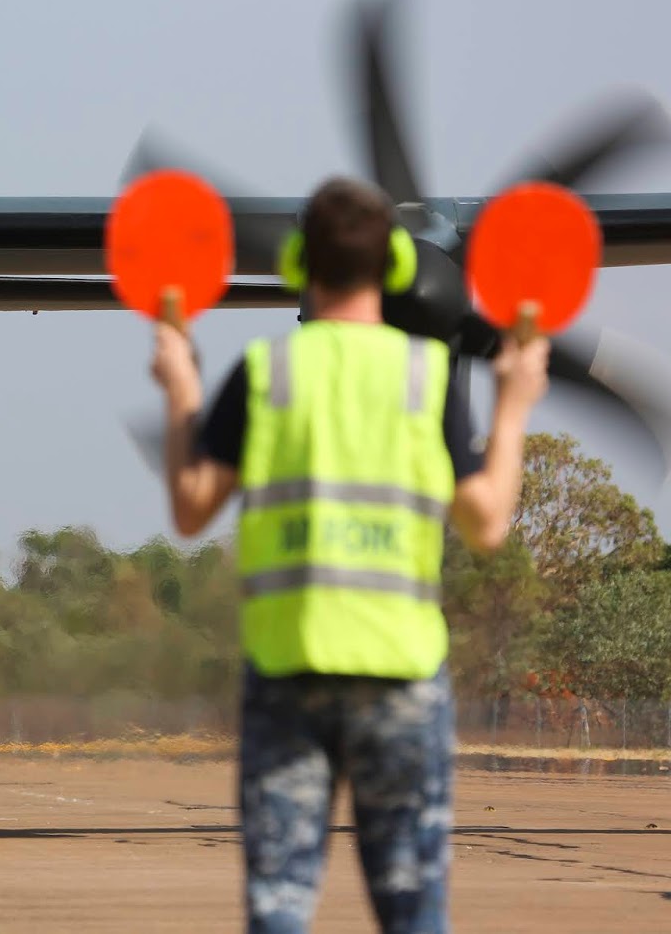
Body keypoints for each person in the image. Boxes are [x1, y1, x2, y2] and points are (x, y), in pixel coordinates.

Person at [148, 176, 550, 934]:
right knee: (413, 909)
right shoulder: (426, 377)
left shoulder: (267, 374)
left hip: (289, 678)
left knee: (279, 906)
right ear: (395, 268)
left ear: (301, 263)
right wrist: (515, 403)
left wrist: (180, 391)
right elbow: (488, 522)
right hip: (399, 680)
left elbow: (191, 507)